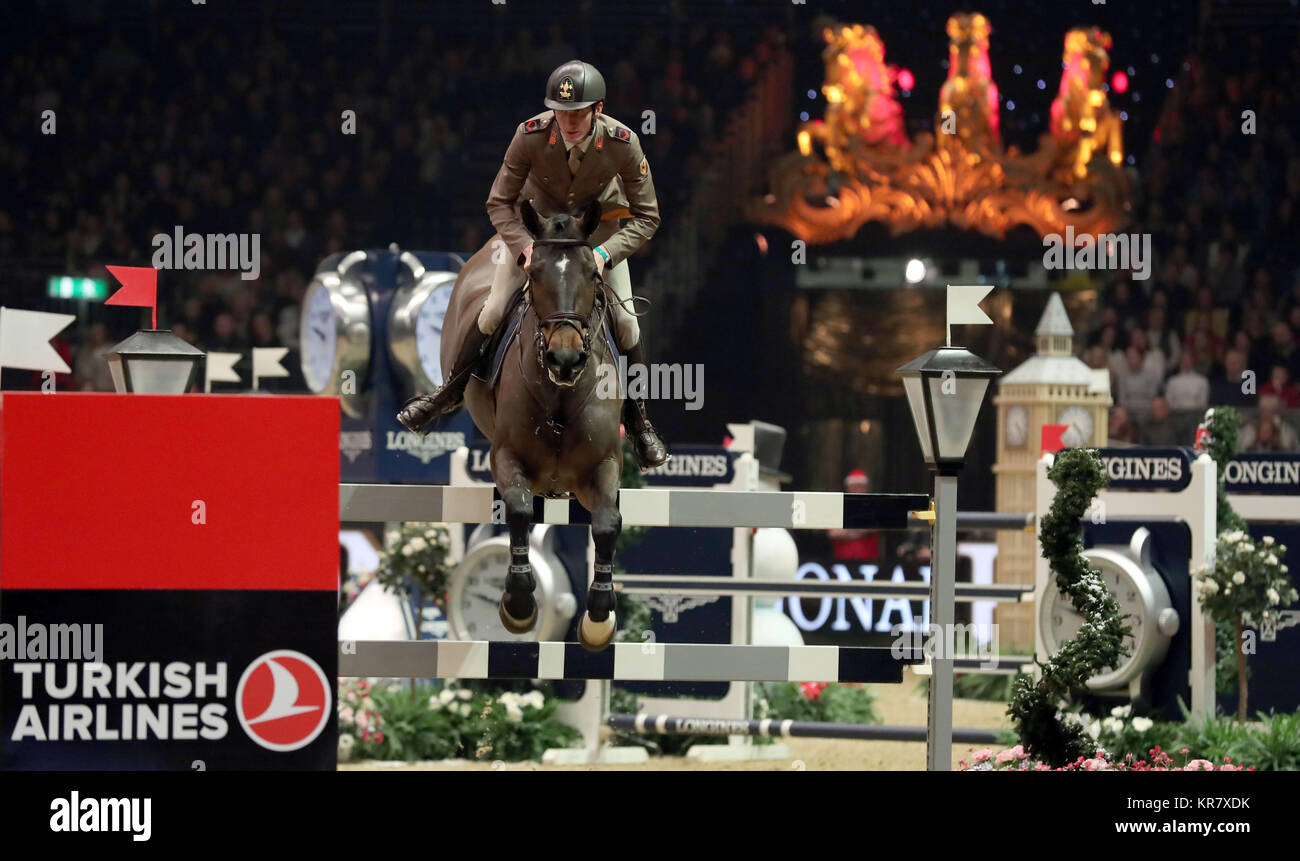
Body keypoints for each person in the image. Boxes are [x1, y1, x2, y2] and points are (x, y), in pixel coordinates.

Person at [398, 60, 668, 470]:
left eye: (578, 113)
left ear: (598, 110)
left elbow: (648, 217)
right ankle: (443, 396)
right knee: (491, 311)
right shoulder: (530, 135)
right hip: (537, 237)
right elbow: (498, 203)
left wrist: (604, 253)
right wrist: (524, 247)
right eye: (562, 113)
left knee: (628, 324)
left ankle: (640, 422)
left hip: (595, 239)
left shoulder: (623, 142)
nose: (568, 122)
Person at [828, 470, 879, 560]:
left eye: (860, 486)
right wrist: (860, 529)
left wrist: (847, 530)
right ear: (848, 487)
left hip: (869, 560)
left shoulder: (873, 506)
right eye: (854, 486)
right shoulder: (839, 506)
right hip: (842, 560)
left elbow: (876, 526)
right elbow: (833, 533)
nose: (857, 489)